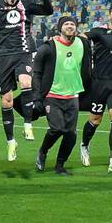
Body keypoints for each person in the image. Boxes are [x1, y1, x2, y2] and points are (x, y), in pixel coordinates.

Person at [0, 0, 52, 160]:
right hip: (3, 56)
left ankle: (27, 124)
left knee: (27, 82)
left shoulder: (25, 5)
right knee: (7, 101)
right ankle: (11, 142)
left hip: (23, 52)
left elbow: (48, 10)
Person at [31, 15, 91, 176]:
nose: (70, 26)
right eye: (66, 24)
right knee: (57, 128)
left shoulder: (83, 44)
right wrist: (37, 97)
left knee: (71, 134)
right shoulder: (49, 47)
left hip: (72, 96)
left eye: (73, 24)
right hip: (52, 95)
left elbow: (87, 69)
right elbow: (36, 72)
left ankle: (60, 165)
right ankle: (43, 152)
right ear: (60, 28)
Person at [79, 3, 112, 172]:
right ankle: (84, 145)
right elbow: (81, 37)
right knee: (95, 120)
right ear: (109, 15)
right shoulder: (99, 32)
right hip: (99, 84)